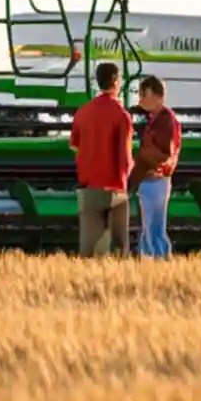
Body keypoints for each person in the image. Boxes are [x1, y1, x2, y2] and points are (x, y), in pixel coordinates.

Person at [69, 62, 134, 257]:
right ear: (116, 81)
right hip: (115, 188)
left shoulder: (83, 111)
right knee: (118, 251)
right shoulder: (122, 115)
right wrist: (125, 182)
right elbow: (125, 157)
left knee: (88, 252)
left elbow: (74, 146)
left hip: (89, 187)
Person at [128, 75, 182, 259]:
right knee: (151, 228)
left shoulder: (164, 120)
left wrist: (139, 166)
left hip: (154, 179)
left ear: (156, 95)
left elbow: (162, 153)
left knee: (152, 228)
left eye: (143, 93)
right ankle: (154, 262)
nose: (140, 98)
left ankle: (157, 261)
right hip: (155, 179)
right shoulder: (159, 119)